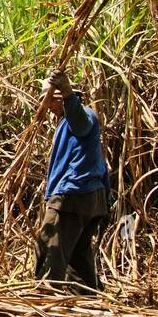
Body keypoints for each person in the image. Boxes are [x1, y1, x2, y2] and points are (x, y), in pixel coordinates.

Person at [35, 70, 110, 291]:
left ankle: (44, 299)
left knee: (49, 248)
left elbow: (81, 123)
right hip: (91, 198)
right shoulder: (67, 122)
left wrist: (67, 92)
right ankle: (87, 300)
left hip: (73, 194)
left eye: (51, 102)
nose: (49, 108)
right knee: (78, 258)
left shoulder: (81, 115)